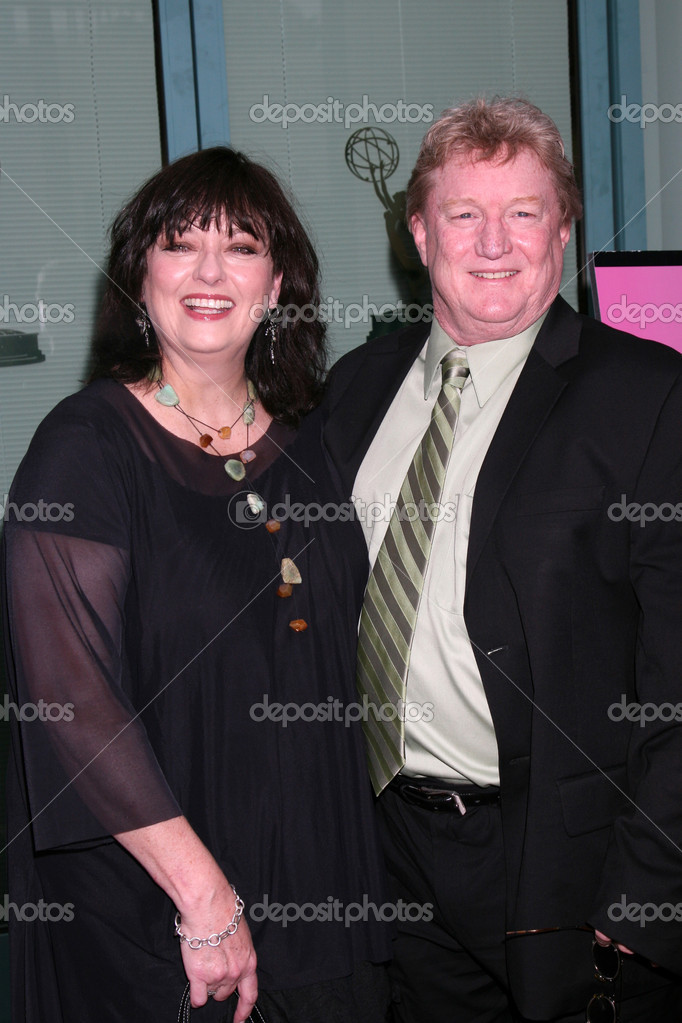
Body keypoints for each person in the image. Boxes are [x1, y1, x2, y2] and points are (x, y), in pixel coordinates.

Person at [2, 146, 391, 1023]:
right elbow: (68, 703)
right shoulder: (85, 447)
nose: (211, 271)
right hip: (164, 916)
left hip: (322, 892)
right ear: (142, 277)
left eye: (243, 245)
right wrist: (207, 900)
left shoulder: (315, 442)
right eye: (181, 244)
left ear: (279, 281)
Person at [322, 97, 682, 1022]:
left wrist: (647, 888)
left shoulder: (646, 396)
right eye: (463, 214)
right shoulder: (355, 387)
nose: (494, 243)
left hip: (562, 868)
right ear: (417, 231)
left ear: (561, 229)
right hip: (384, 844)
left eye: (524, 213)